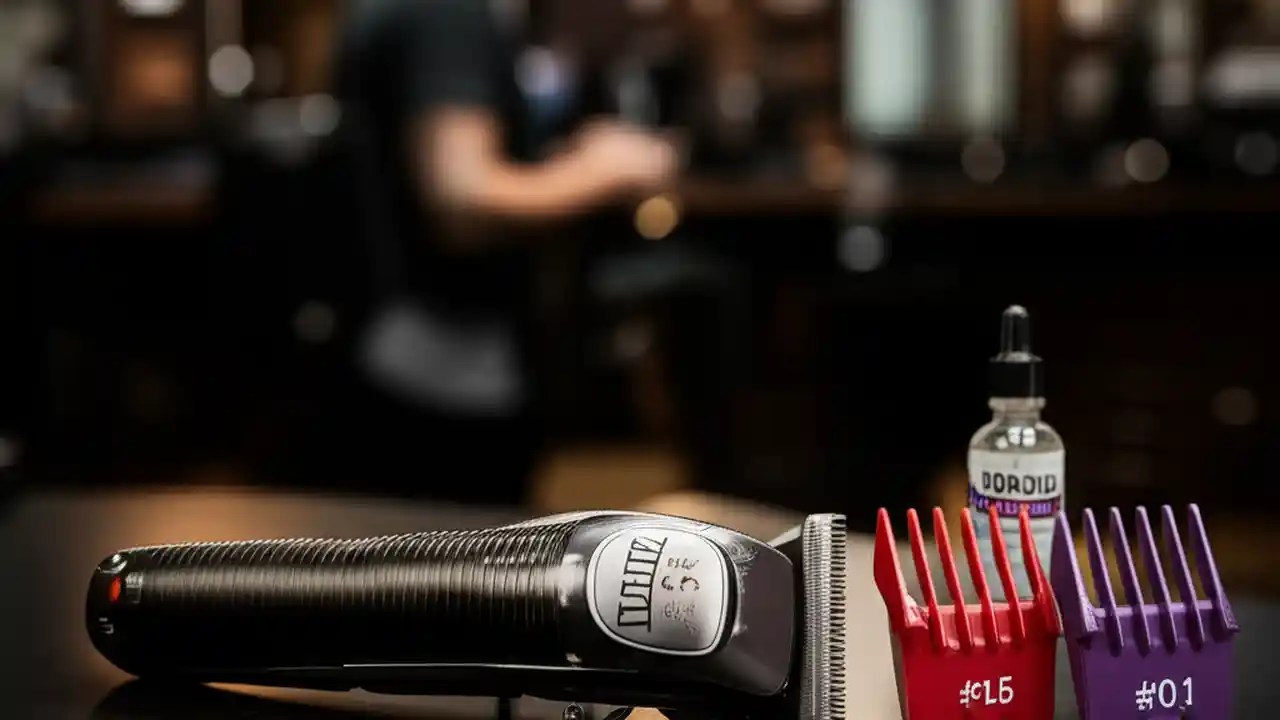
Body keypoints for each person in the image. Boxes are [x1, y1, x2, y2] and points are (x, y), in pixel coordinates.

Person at [335, 0, 677, 501]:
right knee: (463, 539)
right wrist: (607, 168)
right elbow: (462, 202)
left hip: (420, 359)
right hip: (440, 372)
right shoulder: (449, 15)